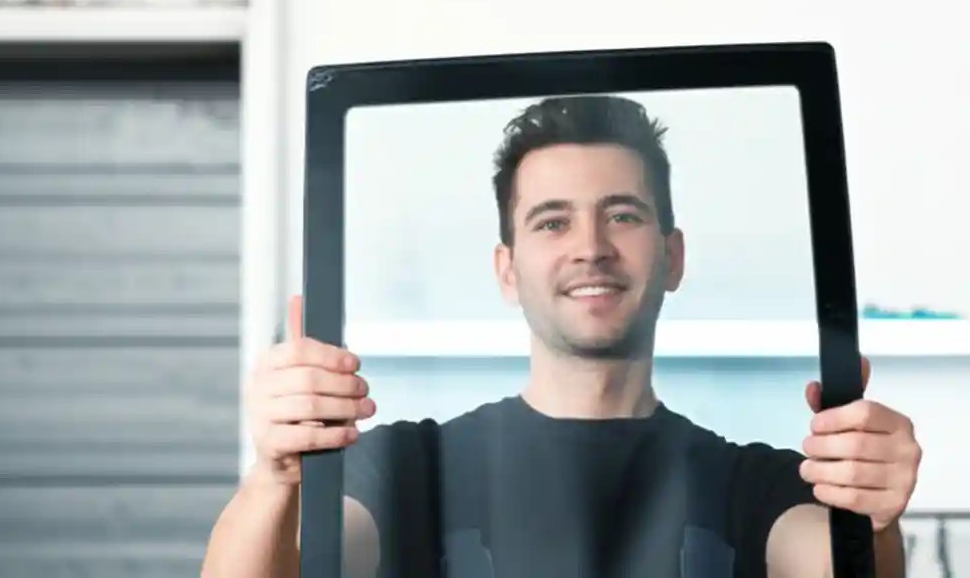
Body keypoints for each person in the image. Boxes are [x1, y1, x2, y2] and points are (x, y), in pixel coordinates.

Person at [202, 95, 923, 578]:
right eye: (553, 221)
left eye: (623, 215)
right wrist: (274, 478)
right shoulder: (405, 470)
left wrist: (875, 517)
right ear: (507, 270)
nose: (591, 247)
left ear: (671, 257)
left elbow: (835, 566)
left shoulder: (752, 485)